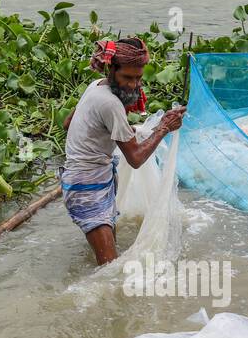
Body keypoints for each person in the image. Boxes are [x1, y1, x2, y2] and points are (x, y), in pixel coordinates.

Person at [61, 37, 185, 265]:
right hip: (87, 189)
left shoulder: (95, 87)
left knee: (108, 259)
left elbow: (68, 123)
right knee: (110, 271)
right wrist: (163, 127)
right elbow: (136, 158)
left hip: (92, 180)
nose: (133, 85)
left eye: (138, 78)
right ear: (111, 70)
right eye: (127, 77)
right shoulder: (111, 104)